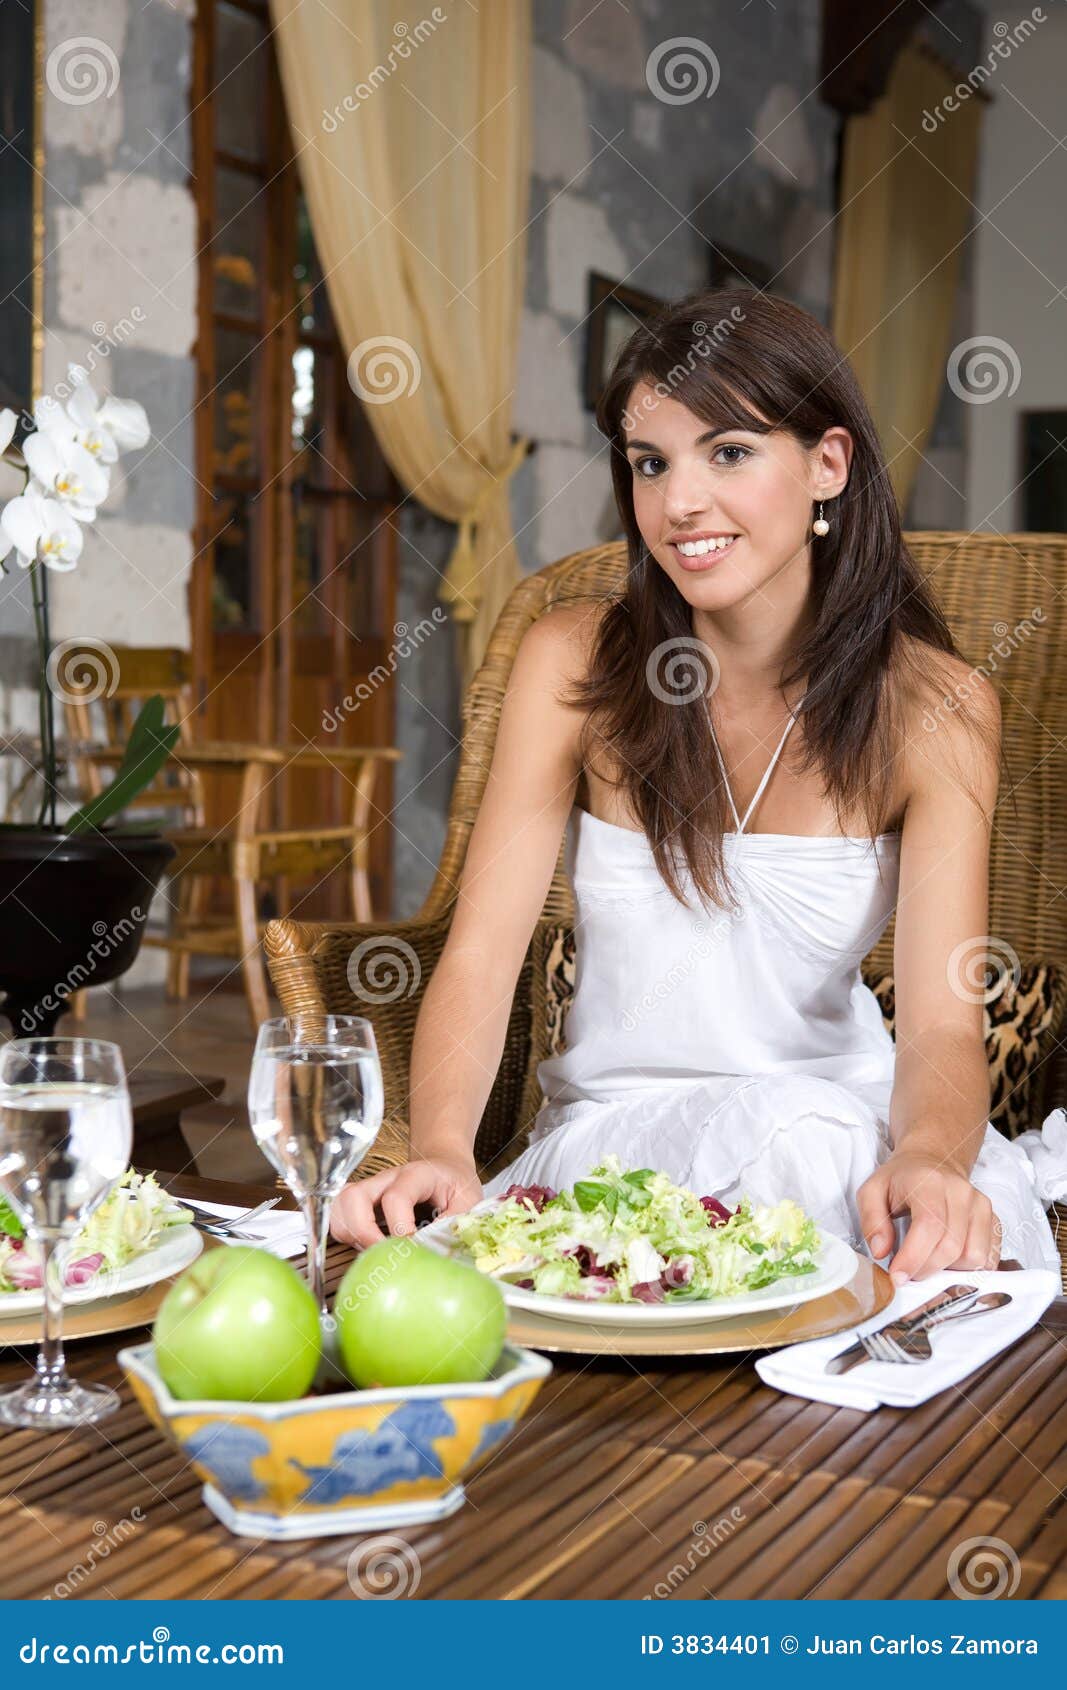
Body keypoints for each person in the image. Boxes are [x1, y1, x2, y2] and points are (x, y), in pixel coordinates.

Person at [331, 287, 1067, 1282]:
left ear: (827, 464)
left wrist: (930, 1158)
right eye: (650, 463)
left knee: (827, 1163)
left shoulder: (936, 709)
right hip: (614, 1148)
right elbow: (480, 955)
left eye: (727, 452)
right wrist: (444, 1151)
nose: (678, 503)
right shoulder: (573, 664)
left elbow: (940, 1023)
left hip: (843, 1140)